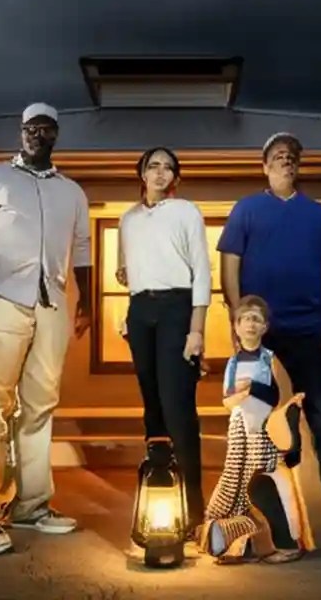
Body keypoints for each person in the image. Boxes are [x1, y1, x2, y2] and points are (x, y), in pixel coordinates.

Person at [216, 132, 321, 561]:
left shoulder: (319, 216)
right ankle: (248, 526)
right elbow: (229, 266)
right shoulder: (247, 210)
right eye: (277, 156)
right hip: (260, 335)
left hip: (310, 330)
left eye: (292, 157)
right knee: (251, 429)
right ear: (264, 166)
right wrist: (238, 322)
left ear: (298, 166)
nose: (285, 162)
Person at [0, 101, 93, 556]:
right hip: (2, 301)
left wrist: (85, 299)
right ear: (21, 133)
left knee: (40, 406)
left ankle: (32, 505)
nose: (37, 134)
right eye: (30, 128)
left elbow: (83, 247)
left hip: (51, 305)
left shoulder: (72, 191)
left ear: (55, 136)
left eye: (46, 128)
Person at [115, 146, 209, 535]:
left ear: (175, 178)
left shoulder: (186, 211)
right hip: (140, 312)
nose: (159, 173)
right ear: (141, 173)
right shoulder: (127, 219)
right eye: (152, 166)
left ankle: (194, 511)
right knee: (151, 405)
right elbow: (125, 270)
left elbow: (201, 270)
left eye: (167, 168)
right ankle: (159, 499)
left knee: (177, 408)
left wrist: (197, 329)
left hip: (176, 308)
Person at [201, 295, 315, 565]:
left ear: (265, 327)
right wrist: (237, 396)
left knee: (273, 483)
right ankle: (238, 545)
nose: (251, 325)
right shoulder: (233, 362)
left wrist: (252, 390)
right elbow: (227, 398)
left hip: (267, 430)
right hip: (241, 431)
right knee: (236, 485)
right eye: (245, 319)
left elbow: (280, 395)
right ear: (236, 326)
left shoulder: (270, 360)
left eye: (257, 319)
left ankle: (288, 541)